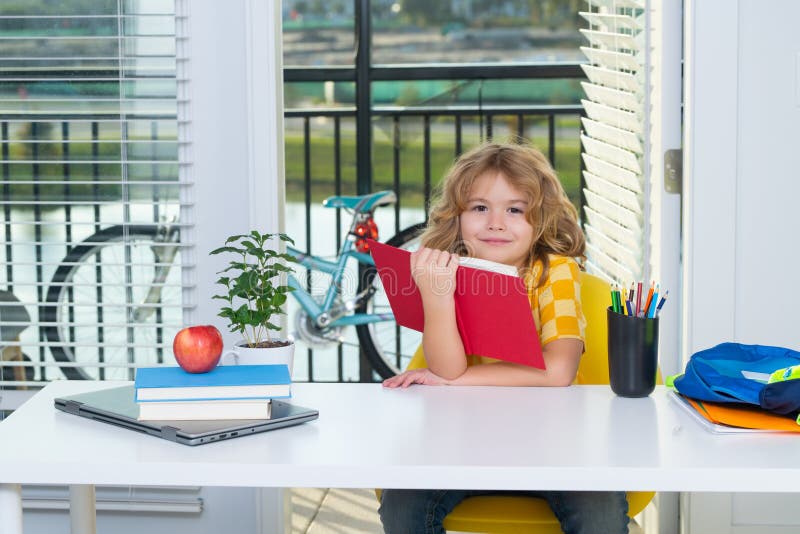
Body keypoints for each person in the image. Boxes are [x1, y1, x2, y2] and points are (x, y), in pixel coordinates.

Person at [378, 142, 629, 534]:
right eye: (479, 208)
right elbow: (447, 367)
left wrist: (452, 381)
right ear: (457, 217)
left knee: (600, 512)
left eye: (514, 210)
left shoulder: (553, 273)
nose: (495, 223)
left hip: (555, 447)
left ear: (540, 220)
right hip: (464, 444)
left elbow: (558, 370)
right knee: (402, 502)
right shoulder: (447, 274)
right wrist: (437, 297)